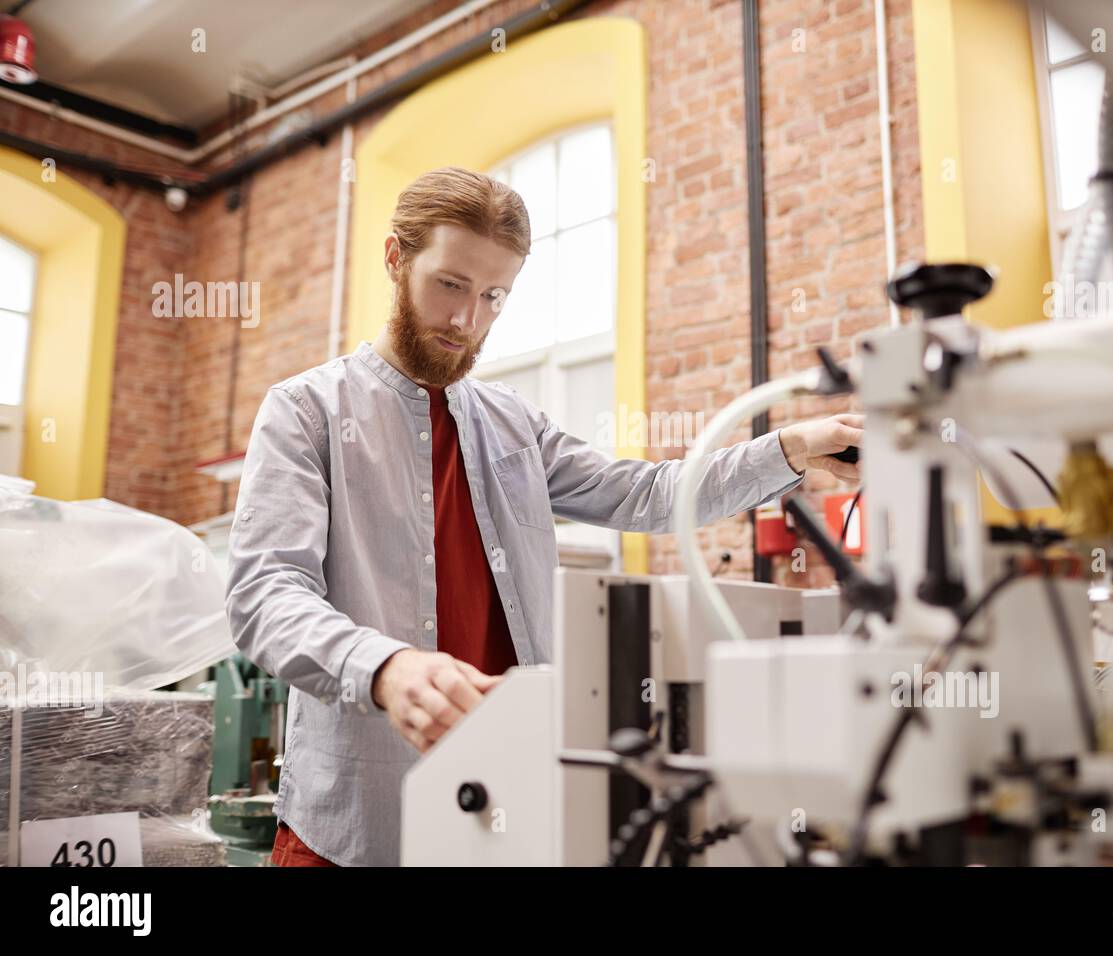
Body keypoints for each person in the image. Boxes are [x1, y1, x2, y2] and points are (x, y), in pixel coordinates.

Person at [225, 166, 862, 866]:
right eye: (450, 284)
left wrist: (792, 450)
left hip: (508, 815)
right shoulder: (306, 412)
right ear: (394, 259)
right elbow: (264, 595)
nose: (468, 320)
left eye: (494, 296)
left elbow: (646, 494)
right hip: (354, 830)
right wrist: (384, 668)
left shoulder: (512, 425)